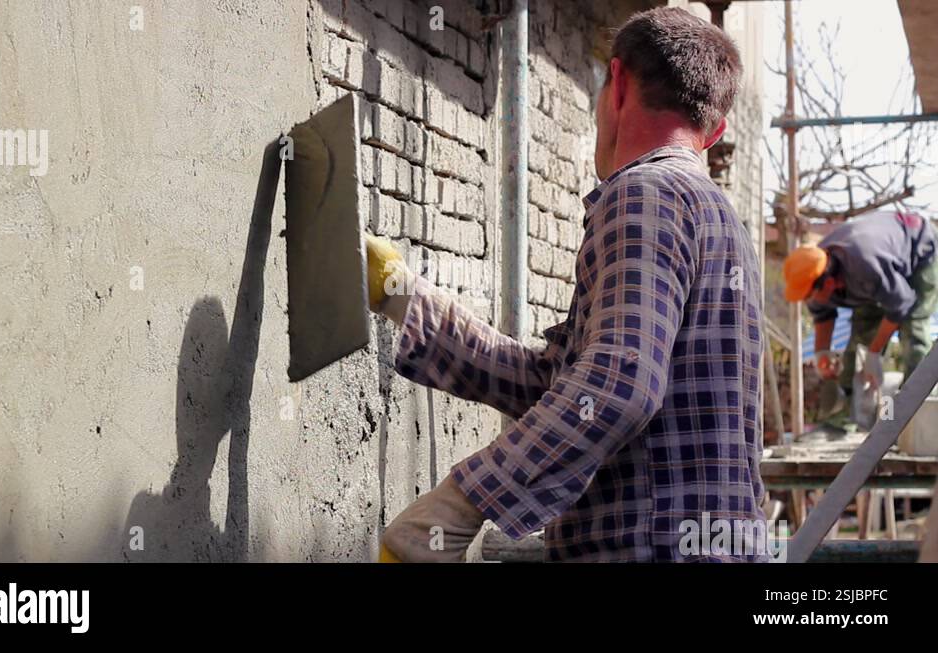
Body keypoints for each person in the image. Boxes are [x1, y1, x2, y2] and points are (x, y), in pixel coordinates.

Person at [368, 6, 765, 562]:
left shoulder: (645, 196)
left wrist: (460, 503)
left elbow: (619, 385)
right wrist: (405, 300)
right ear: (715, 130)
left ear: (619, 82)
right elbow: (565, 388)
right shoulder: (719, 220)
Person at [783, 211, 938, 397]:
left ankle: (916, 402)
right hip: (875, 274)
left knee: (913, 329)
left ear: (829, 283)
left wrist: (873, 353)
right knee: (861, 337)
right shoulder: (815, 276)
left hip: (918, 246)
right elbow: (823, 317)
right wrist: (822, 354)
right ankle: (849, 414)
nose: (810, 301)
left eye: (810, 295)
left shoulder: (866, 265)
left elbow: (899, 307)